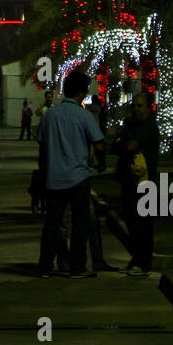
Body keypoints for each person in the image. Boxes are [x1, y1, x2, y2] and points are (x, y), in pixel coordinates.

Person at [37, 71, 104, 278]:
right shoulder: (84, 116)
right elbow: (99, 143)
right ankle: (77, 267)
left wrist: (44, 169)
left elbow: (42, 145)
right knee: (79, 224)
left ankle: (45, 267)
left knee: (52, 224)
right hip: (78, 178)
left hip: (54, 178)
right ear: (81, 92)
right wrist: (101, 163)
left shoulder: (50, 115)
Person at [115, 92, 160, 275]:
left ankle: (143, 262)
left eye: (140, 106)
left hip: (143, 182)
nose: (135, 109)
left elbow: (128, 146)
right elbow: (121, 144)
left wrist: (121, 144)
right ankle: (137, 259)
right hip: (130, 180)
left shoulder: (148, 126)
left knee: (142, 223)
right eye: (134, 105)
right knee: (132, 222)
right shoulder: (132, 125)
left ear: (149, 108)